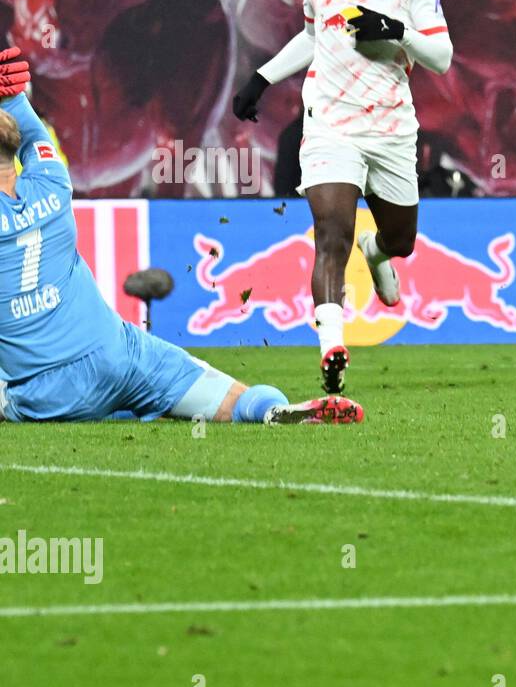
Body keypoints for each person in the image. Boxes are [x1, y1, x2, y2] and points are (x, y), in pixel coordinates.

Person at [0, 49, 362, 425]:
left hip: (44, 391)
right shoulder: (53, 184)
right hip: (120, 355)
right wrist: (11, 96)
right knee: (228, 396)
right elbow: (31, 133)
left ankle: (124, 410)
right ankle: (268, 409)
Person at [231, 0, 454, 394]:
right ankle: (332, 343)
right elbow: (314, 37)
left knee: (402, 240)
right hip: (329, 123)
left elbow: (440, 58)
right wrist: (261, 78)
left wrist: (394, 30)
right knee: (331, 236)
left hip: (391, 128)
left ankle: (378, 255)